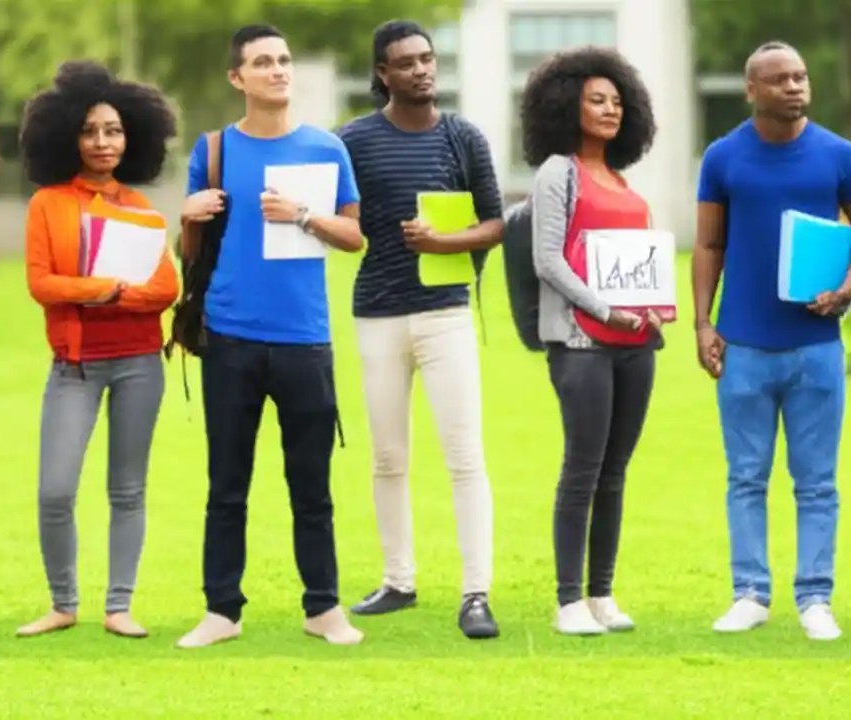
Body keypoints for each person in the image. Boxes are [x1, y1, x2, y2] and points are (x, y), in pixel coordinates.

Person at [175, 24, 366, 649]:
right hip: (229, 338)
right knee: (226, 484)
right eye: (263, 62)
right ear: (238, 78)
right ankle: (221, 611)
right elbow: (192, 253)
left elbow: (354, 236)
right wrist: (187, 217)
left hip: (304, 339)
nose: (278, 70)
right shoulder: (213, 151)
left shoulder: (327, 149)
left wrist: (304, 215)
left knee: (311, 485)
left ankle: (323, 607)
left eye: (284, 60)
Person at [693, 41, 851, 641]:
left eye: (801, 76)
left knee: (817, 481)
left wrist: (847, 289)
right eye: (780, 79)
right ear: (753, 90)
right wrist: (703, 322)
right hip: (743, 346)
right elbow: (709, 245)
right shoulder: (723, 158)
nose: (795, 86)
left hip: (817, 347)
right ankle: (750, 592)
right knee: (746, 476)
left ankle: (815, 598)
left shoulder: (838, 155)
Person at [337, 20, 504, 639]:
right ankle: (398, 580)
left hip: (445, 314)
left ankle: (476, 593)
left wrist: (444, 241)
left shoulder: (463, 138)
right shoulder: (352, 140)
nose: (422, 70)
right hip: (378, 315)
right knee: (387, 457)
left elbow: (494, 222)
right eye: (406, 63)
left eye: (428, 59)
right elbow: (335, 217)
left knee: (464, 455)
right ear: (383, 72)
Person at [14, 61, 179, 640]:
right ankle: (63, 603)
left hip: (138, 363)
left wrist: (98, 295)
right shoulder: (47, 205)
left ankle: (118, 607)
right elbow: (42, 285)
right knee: (55, 489)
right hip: (74, 367)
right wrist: (104, 289)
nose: (102, 141)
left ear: (131, 137)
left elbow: (165, 289)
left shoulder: (141, 209)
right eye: (90, 131)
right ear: (68, 137)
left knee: (127, 489)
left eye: (113, 130)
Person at [519, 47, 660, 635]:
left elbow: (641, 263)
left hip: (636, 343)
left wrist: (651, 306)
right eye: (596, 100)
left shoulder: (624, 181)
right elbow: (547, 260)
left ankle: (602, 594)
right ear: (566, 106)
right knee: (582, 467)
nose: (608, 110)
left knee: (616, 470)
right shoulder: (559, 173)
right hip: (581, 342)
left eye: (617, 102)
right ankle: (568, 600)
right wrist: (607, 310)